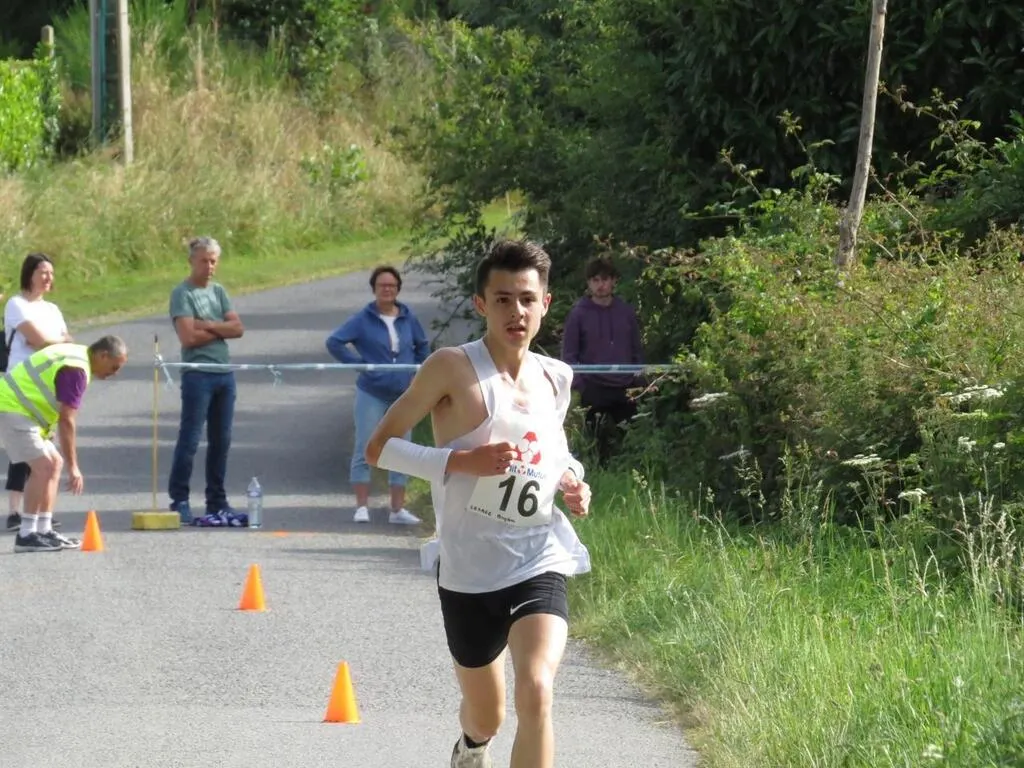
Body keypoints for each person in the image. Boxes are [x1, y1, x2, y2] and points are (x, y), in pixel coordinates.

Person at [365, 240, 592, 768]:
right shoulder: (451, 368)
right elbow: (380, 449)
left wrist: (573, 482)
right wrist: (459, 462)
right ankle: (471, 747)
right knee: (486, 715)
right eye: (504, 299)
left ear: (546, 305)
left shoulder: (556, 377)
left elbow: (555, 455)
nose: (517, 312)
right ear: (481, 305)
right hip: (469, 570)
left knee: (537, 690)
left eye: (527, 300)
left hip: (537, 556)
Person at [0, 336, 128, 553]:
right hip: (11, 407)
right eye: (114, 367)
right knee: (43, 467)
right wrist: (74, 466)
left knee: (54, 463)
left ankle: (44, 529)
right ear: (103, 355)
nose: (114, 373)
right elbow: (67, 420)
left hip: (24, 412)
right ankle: (27, 535)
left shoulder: (77, 354)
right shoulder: (76, 370)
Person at [325, 265, 430, 525]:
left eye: (392, 286)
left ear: (397, 290)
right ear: (374, 289)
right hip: (371, 392)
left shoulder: (408, 317)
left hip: (403, 395)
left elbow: (423, 345)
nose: (387, 290)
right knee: (365, 445)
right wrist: (360, 365)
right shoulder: (362, 319)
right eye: (382, 286)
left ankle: (397, 510)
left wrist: (418, 372)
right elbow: (334, 342)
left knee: (401, 449)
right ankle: (361, 506)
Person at [167, 237, 246, 527]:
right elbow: (188, 337)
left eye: (213, 261)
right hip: (197, 372)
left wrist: (206, 324)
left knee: (221, 440)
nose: (210, 266)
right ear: (192, 261)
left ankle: (217, 499)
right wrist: (219, 328)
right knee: (190, 438)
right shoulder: (182, 294)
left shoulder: (220, 292)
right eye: (204, 260)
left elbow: (238, 328)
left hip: (223, 373)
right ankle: (180, 498)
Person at [3, 253, 72, 534]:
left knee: (46, 453)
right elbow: (39, 340)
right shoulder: (16, 305)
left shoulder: (53, 309)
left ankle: (42, 514)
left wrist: (51, 344)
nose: (48, 278)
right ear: (29, 273)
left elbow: (66, 342)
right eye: (43, 272)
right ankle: (16, 511)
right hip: (20, 388)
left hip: (47, 388)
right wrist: (51, 343)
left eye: (51, 273)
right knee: (25, 454)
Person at [560, 255, 644, 465]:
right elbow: (569, 355)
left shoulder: (626, 312)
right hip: (594, 388)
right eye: (595, 280)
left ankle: (631, 471)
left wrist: (638, 380)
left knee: (632, 439)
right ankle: (597, 475)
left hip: (625, 387)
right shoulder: (578, 314)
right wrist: (581, 385)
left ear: (614, 280)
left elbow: (636, 349)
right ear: (589, 283)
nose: (601, 285)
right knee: (596, 445)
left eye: (605, 279)